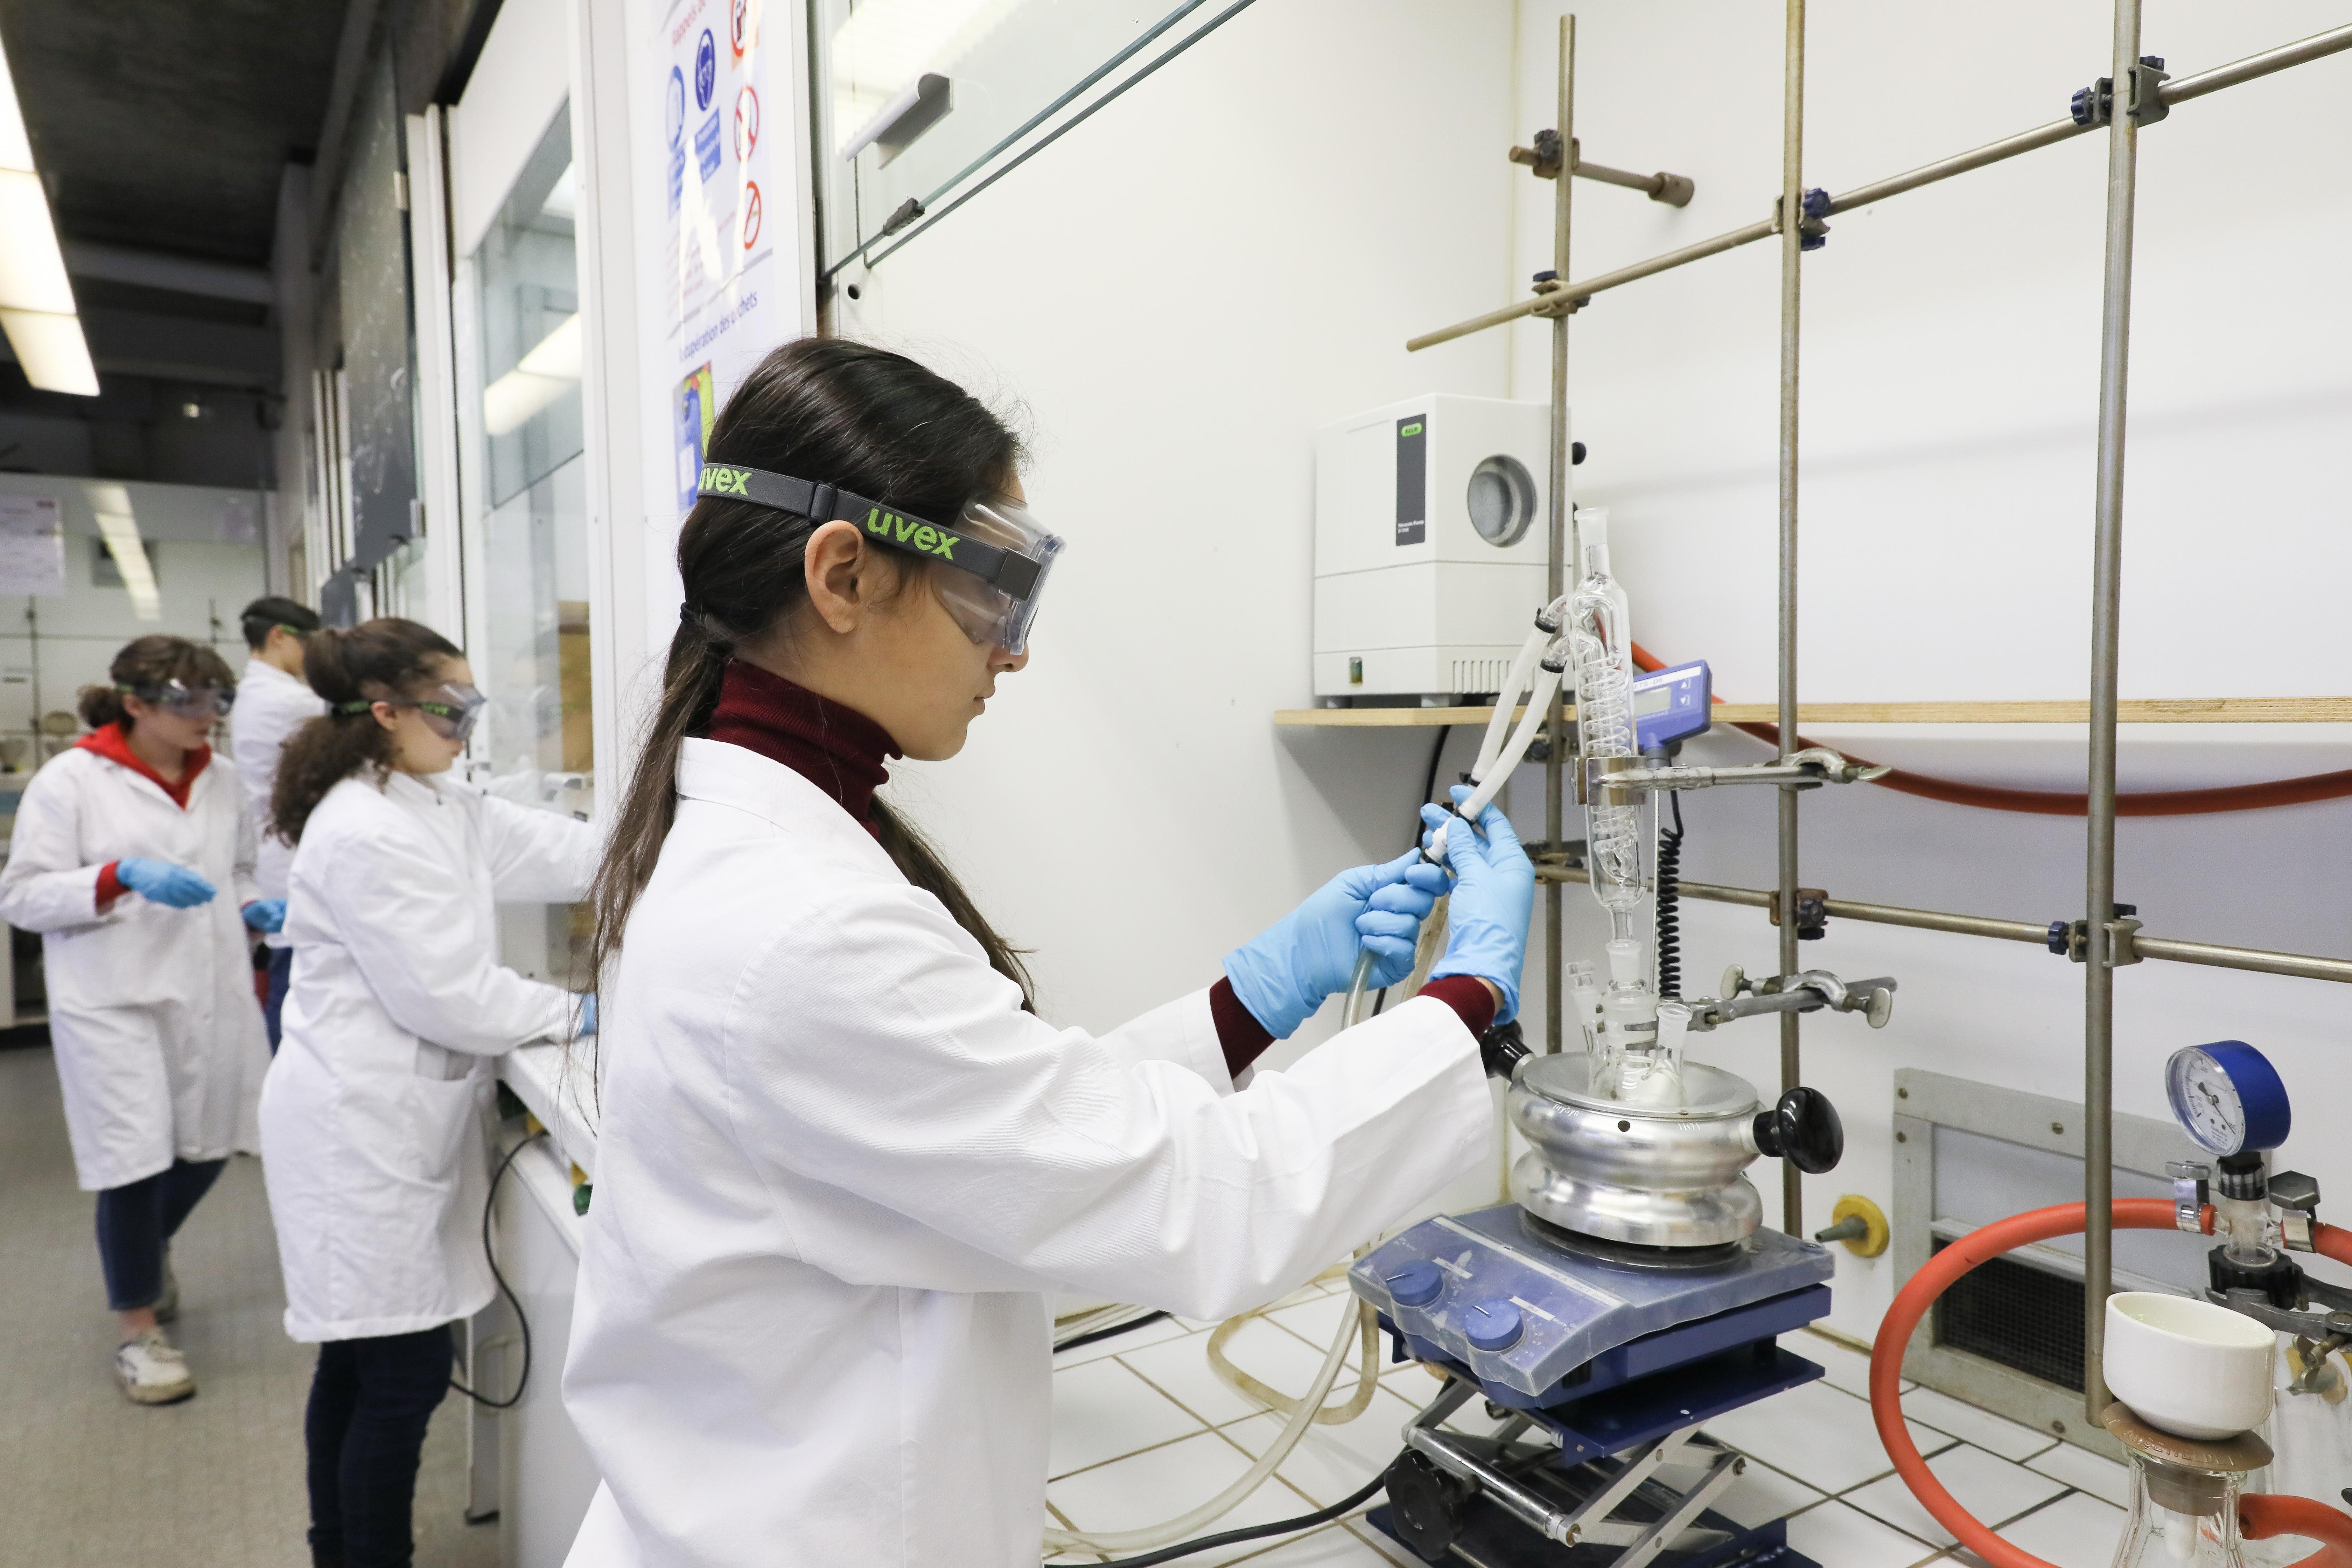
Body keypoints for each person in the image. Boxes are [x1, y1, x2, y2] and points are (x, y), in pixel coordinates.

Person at [558, 339, 1536, 1568]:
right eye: (992, 589)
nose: (1010, 649)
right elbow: (1205, 1202)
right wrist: (1471, 995)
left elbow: (1005, 1131)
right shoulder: (798, 929)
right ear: (842, 573)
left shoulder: (743, 841)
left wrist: (1260, 994)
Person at [257, 617, 600, 1568]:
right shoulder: (366, 826)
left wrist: (661, 831)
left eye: (472, 705)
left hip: (385, 1123)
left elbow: (551, 849)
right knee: (399, 1379)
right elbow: (451, 996)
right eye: (453, 708)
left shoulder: (424, 797)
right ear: (384, 712)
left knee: (360, 1362)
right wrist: (584, 1013)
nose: (468, 727)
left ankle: (341, 1551)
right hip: (353, 1133)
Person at [0, 635, 274, 1405]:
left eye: (219, 701)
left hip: (210, 990)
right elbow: (22, 894)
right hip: (113, 996)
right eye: (189, 702)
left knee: (214, 1143)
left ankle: (145, 1251)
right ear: (135, 703)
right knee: (131, 1160)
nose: (207, 719)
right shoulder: (71, 781)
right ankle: (137, 1329)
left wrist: (254, 904)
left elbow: (241, 867)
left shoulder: (222, 780)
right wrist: (120, 876)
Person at [229, 594, 327, 1051]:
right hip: (288, 860)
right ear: (279, 637)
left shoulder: (259, 692)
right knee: (292, 997)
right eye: (310, 643)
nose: (313, 655)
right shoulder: (288, 700)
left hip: (277, 853)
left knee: (287, 990)